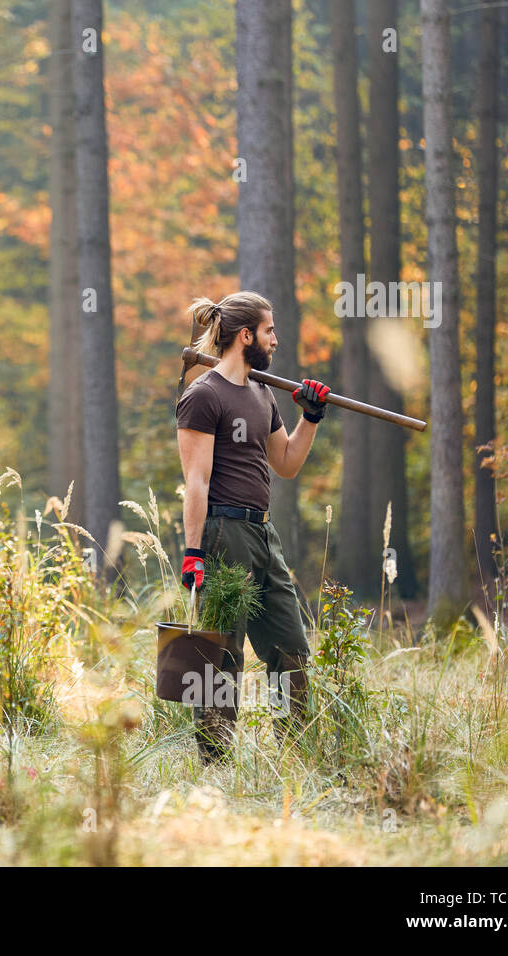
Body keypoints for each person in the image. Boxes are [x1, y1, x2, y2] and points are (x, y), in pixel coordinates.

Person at [174, 291, 330, 764]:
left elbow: (286, 463)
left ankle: (297, 755)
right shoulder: (203, 396)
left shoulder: (262, 393)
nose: (275, 340)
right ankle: (215, 766)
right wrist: (194, 552)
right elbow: (196, 482)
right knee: (221, 658)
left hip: (264, 535)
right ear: (246, 336)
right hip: (224, 532)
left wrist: (311, 417)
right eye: (269, 332)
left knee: (292, 651)